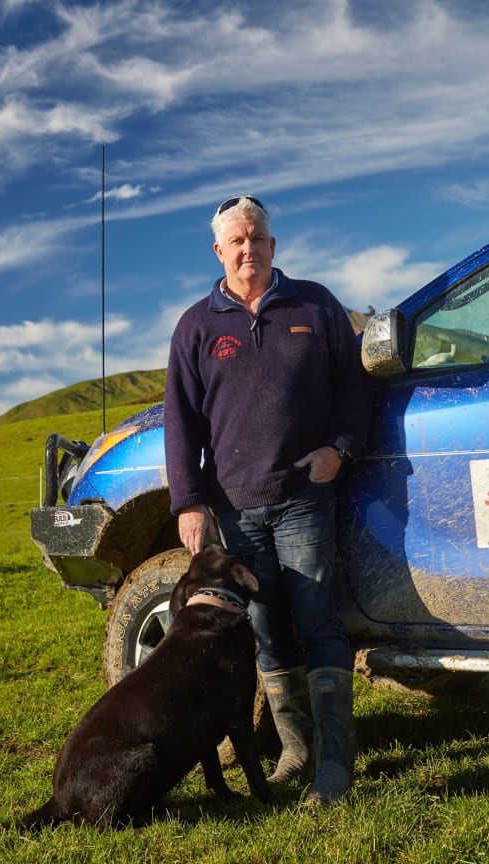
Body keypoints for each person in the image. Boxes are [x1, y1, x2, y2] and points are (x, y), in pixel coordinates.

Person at [164, 195, 373, 804]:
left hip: (305, 493)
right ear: (219, 252)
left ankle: (335, 763)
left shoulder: (316, 305)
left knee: (319, 622)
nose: (248, 248)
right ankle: (295, 750)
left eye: (257, 237)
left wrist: (339, 448)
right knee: (266, 628)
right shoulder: (195, 326)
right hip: (235, 507)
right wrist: (189, 501)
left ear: (273, 246)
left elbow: (353, 385)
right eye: (237, 241)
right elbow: (181, 423)